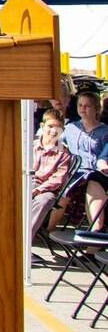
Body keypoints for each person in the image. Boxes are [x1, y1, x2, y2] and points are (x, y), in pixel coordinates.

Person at [55, 87, 108, 231]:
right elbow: (57, 146)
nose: (83, 109)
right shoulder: (71, 127)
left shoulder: (105, 131)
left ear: (97, 108)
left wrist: (103, 165)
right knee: (63, 194)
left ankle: (94, 236)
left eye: (87, 106)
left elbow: (104, 157)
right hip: (73, 173)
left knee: (93, 183)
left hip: (95, 174)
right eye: (80, 105)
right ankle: (49, 230)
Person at [31, 109, 72, 245]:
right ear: (42, 126)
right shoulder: (30, 146)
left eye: (58, 128)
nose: (54, 131)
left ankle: (24, 242)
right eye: (50, 126)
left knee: (44, 201)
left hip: (46, 189)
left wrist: (38, 190)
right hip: (27, 183)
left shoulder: (63, 152)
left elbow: (58, 179)